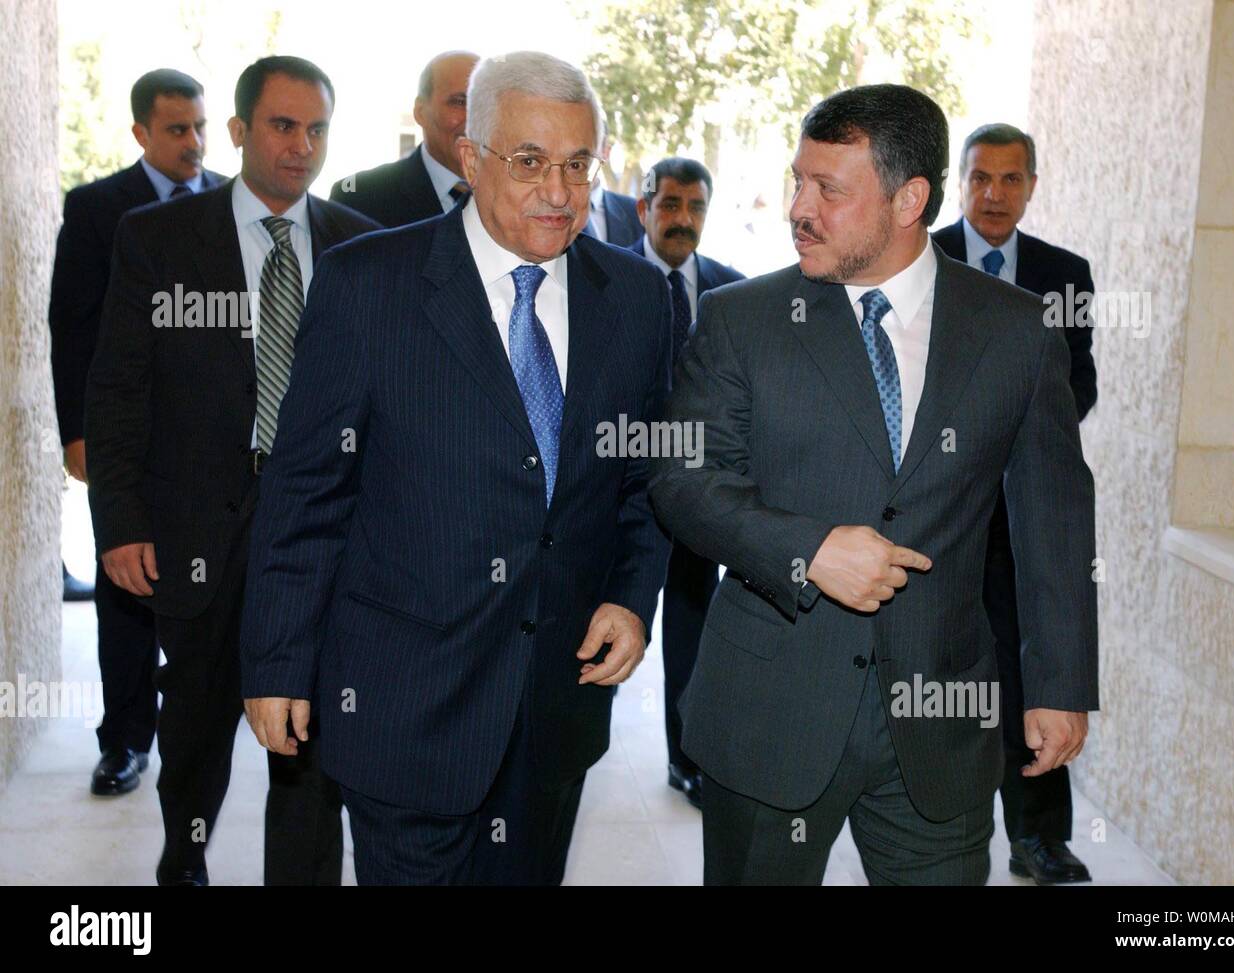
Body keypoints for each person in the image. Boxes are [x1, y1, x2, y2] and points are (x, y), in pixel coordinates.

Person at [239, 50, 672, 886]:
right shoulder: (368, 284)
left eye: (580, 165)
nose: (560, 190)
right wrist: (277, 661)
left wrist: (631, 593)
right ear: (470, 159)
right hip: (404, 703)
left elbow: (644, 478)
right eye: (531, 162)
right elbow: (305, 491)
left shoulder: (637, 297)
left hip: (554, 705)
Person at [649, 84, 1098, 885]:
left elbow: (1054, 516)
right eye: (798, 180)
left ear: (909, 200)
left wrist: (1060, 682)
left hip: (941, 723)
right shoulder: (739, 319)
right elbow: (684, 482)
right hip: (769, 712)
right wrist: (807, 549)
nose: (798, 208)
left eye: (828, 189)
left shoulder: (1018, 330)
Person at [85, 56, 380, 886]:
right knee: (196, 727)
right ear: (243, 130)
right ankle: (184, 862)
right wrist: (122, 522)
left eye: (317, 129)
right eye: (283, 126)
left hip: (324, 533)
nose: (302, 146)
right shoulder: (158, 237)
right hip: (196, 529)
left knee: (311, 736)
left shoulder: (359, 247)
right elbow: (115, 391)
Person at [49, 67, 225, 797]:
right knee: (126, 588)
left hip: (211, 442)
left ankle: (207, 729)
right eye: (177, 129)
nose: (193, 143)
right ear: (141, 133)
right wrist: (78, 432)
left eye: (201, 127)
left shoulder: (230, 201)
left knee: (213, 591)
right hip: (127, 437)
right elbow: (73, 324)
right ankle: (124, 739)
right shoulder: (97, 208)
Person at [932, 122, 1098, 884]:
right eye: (980, 178)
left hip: (1024, 516)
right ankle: (937, 819)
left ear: (1032, 185)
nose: (993, 194)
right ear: (957, 182)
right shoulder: (924, 257)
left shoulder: (1066, 273)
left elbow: (1078, 384)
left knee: (1036, 670)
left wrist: (1019, 437)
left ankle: (1038, 838)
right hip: (943, 510)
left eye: (1010, 179)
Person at [627, 156, 743, 809]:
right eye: (670, 204)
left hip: (700, 492)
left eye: (695, 206)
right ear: (644, 207)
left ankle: (688, 757)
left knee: (694, 626)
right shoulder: (609, 278)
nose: (682, 219)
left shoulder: (730, 291)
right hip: (621, 488)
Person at [329, 51, 478, 226]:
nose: (475, 118)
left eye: (483, 103)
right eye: (460, 102)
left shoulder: (512, 193)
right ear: (420, 112)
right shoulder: (360, 198)